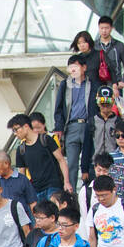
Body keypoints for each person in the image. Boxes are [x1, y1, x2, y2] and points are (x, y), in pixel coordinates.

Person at [53, 55, 97, 188]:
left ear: (84, 68)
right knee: (71, 164)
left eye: (76, 66)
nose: (73, 70)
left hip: (88, 126)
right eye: (71, 67)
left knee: (89, 162)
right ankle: (71, 194)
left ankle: (88, 192)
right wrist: (59, 127)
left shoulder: (92, 85)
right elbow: (59, 107)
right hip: (71, 127)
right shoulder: (65, 85)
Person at [9, 113, 72, 202]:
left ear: (26, 126)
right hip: (36, 190)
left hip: (53, 186)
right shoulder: (21, 149)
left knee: (57, 206)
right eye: (13, 131)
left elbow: (61, 160)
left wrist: (66, 182)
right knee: (39, 215)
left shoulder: (46, 139)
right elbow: (22, 174)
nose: (15, 134)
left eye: (16, 129)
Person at [95, 18, 124, 98]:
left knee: (115, 109)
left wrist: (123, 81)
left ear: (111, 28)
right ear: (98, 28)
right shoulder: (94, 46)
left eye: (106, 28)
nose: (104, 31)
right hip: (97, 85)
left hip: (116, 85)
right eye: (101, 28)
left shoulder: (119, 45)